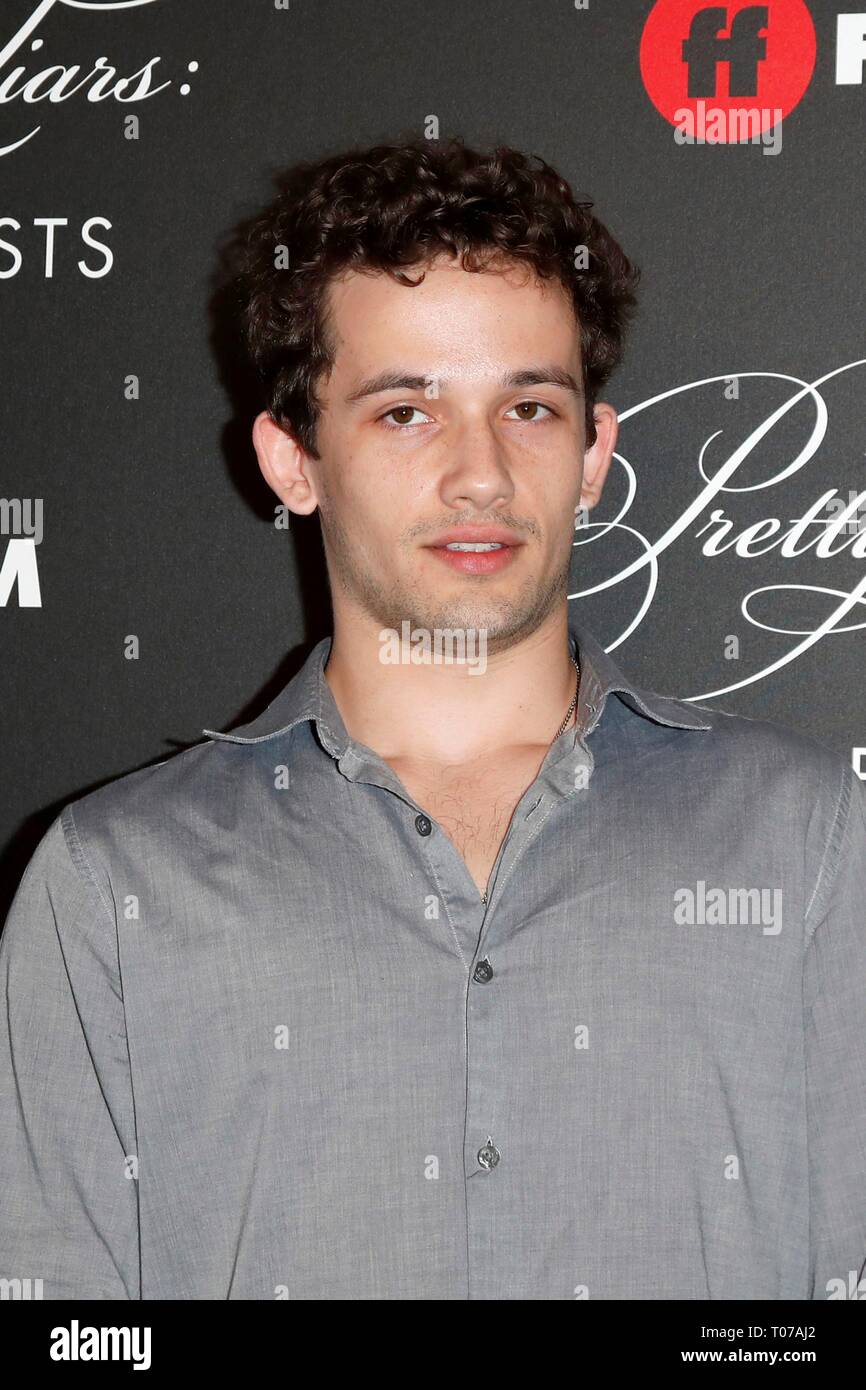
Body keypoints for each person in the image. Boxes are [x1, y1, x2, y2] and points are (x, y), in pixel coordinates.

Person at [1, 138, 864, 1301]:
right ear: (291, 460)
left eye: (529, 405)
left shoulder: (806, 845)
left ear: (594, 453)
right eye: (405, 410)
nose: (479, 474)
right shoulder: (109, 887)